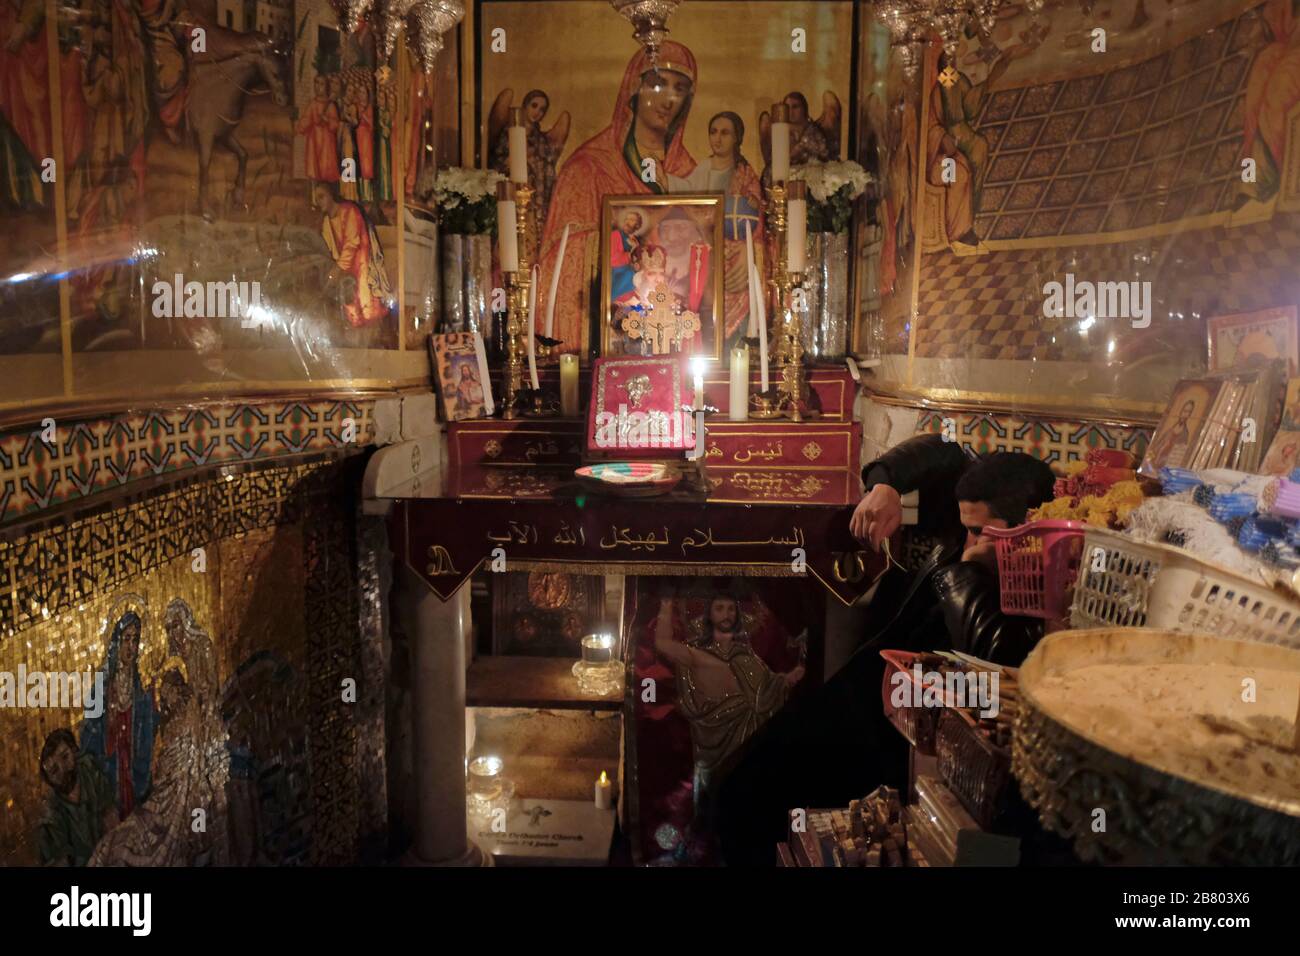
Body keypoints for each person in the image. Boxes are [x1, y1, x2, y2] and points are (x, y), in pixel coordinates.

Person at [715, 434, 1055, 865]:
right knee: (740, 782)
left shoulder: (1034, 596)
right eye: (965, 528)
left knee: (760, 798)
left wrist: (969, 573)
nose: (966, 543)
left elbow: (992, 653)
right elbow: (942, 450)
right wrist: (885, 485)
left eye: (977, 532)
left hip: (905, 739)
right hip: (868, 693)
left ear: (1027, 531)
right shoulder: (963, 532)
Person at [538, 40, 698, 353]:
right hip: (610, 328)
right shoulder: (587, 169)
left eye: (679, 88)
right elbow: (566, 264)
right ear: (633, 90)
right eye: (657, 84)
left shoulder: (689, 175)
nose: (668, 99)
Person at [653, 593, 803, 827]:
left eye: (731, 609)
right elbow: (662, 643)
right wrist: (665, 604)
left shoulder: (746, 657)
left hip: (748, 741)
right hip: (710, 744)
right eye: (720, 608)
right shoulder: (697, 653)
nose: (726, 614)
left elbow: (772, 690)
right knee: (708, 812)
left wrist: (796, 672)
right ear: (709, 615)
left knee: (743, 809)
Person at [80, 610, 159, 821]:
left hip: (134, 768)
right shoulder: (103, 685)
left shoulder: (139, 684)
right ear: (116, 641)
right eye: (126, 639)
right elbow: (89, 730)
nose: (131, 646)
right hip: (111, 766)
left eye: (135, 640)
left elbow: (148, 725)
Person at [313, 180, 392, 328]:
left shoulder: (349, 211)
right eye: (317, 198)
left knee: (366, 304)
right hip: (344, 264)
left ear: (331, 195)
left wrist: (339, 267)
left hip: (361, 258)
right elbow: (328, 248)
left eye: (321, 196)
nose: (318, 202)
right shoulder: (326, 221)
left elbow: (353, 242)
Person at [36, 728, 117, 866]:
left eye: (65, 757)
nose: (63, 769)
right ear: (49, 779)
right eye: (54, 770)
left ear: (74, 751)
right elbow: (60, 862)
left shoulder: (90, 771)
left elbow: (111, 819)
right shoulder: (51, 816)